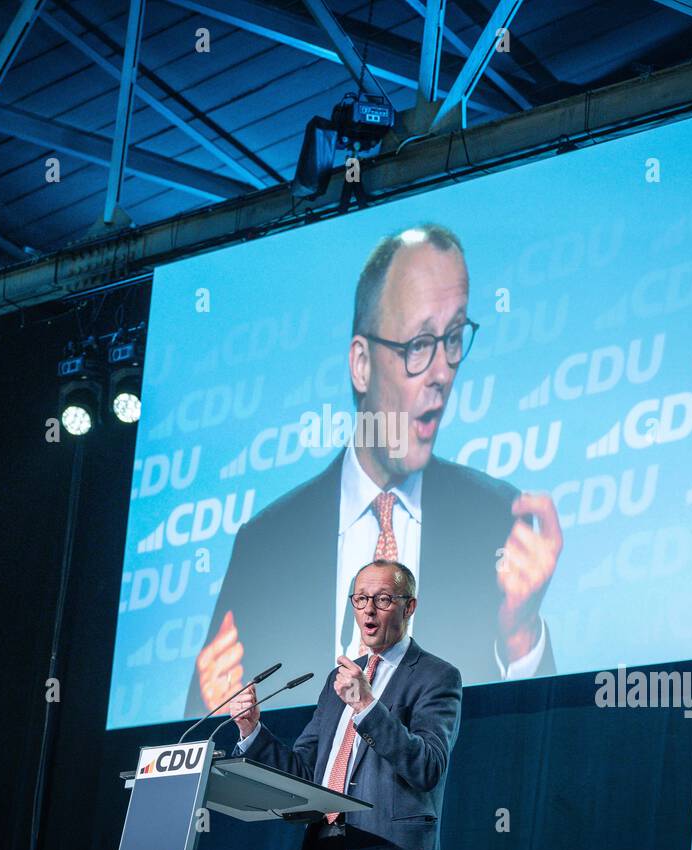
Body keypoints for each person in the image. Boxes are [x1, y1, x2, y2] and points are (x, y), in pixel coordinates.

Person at [188, 224, 563, 717]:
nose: (442, 373)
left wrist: (521, 635)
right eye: (419, 344)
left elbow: (535, 726)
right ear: (361, 364)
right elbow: (213, 714)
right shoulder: (266, 543)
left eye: (453, 339)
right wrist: (214, 708)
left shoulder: (495, 518)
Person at [229, 560, 462, 850]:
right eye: (361, 599)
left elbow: (427, 767)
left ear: (409, 607)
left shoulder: (435, 676)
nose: (369, 609)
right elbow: (304, 773)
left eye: (383, 599)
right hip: (323, 846)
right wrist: (252, 730)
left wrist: (367, 706)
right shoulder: (337, 679)